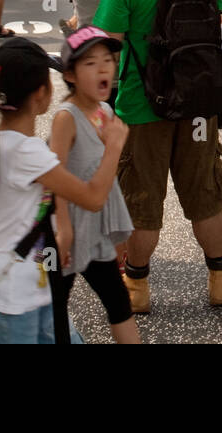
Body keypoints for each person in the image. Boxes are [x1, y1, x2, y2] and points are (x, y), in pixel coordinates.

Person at [92, 0, 222, 313]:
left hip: (142, 106)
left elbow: (106, 46)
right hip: (198, 106)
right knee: (203, 195)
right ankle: (220, 278)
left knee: (142, 203)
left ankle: (136, 288)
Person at [0, 37, 129, 344]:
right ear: (41, 94)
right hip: (17, 301)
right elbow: (92, 198)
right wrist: (114, 146)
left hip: (21, 293)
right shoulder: (30, 152)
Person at [49, 27, 140, 343]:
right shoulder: (66, 117)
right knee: (55, 307)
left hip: (96, 227)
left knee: (118, 302)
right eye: (90, 63)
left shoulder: (105, 111)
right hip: (66, 232)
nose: (103, 68)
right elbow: (53, 174)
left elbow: (108, 179)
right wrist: (62, 228)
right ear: (70, 75)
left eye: (107, 60)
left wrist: (117, 233)